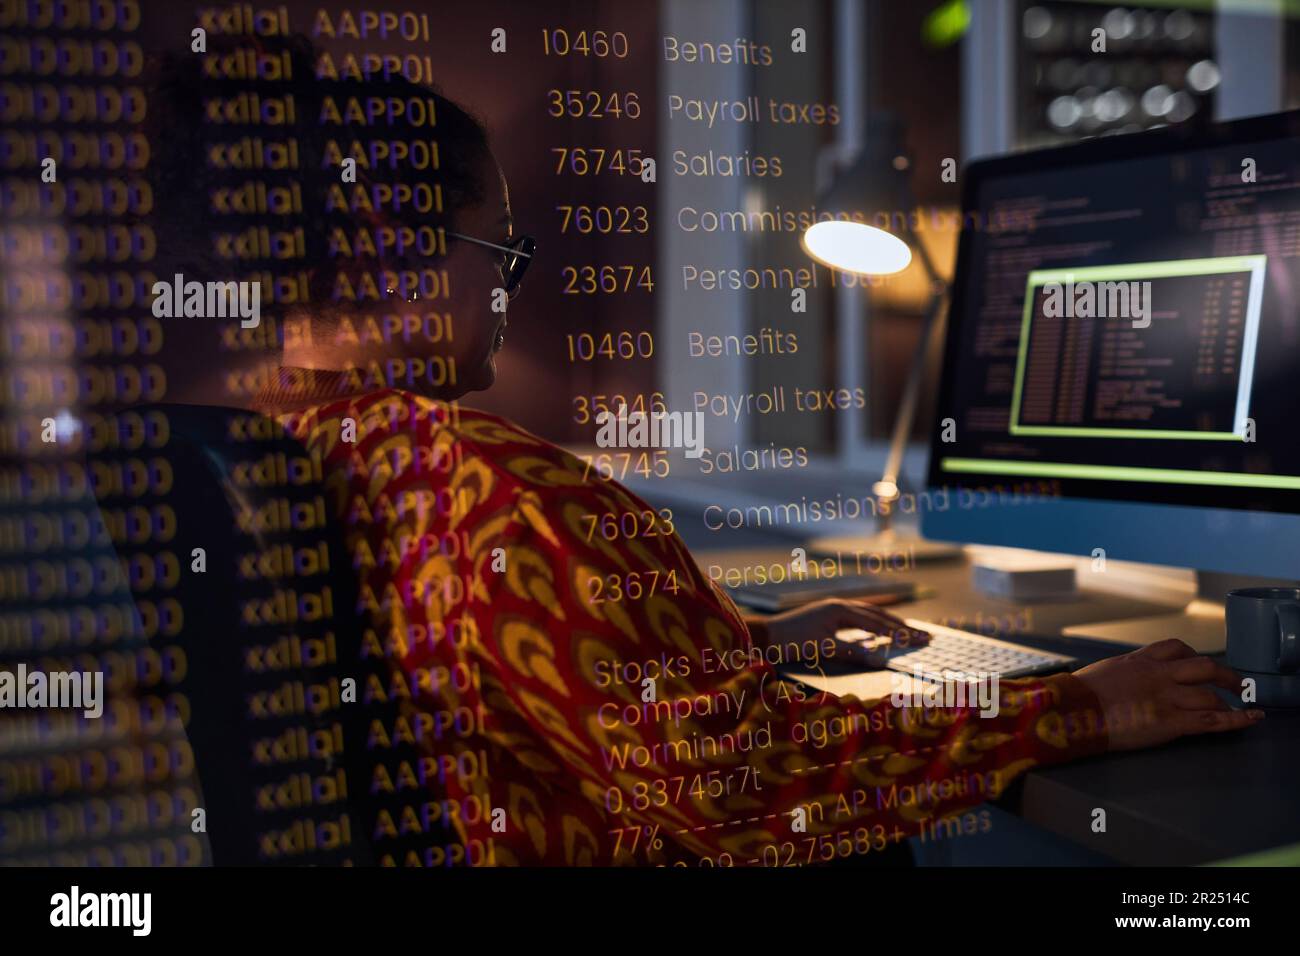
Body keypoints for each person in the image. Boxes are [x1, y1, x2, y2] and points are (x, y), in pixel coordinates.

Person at [156, 43, 1263, 866]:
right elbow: (750, 787)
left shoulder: (295, 442)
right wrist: (1084, 705)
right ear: (396, 258)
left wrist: (740, 641)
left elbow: (491, 666)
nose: (507, 285)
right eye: (500, 246)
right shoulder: (503, 490)